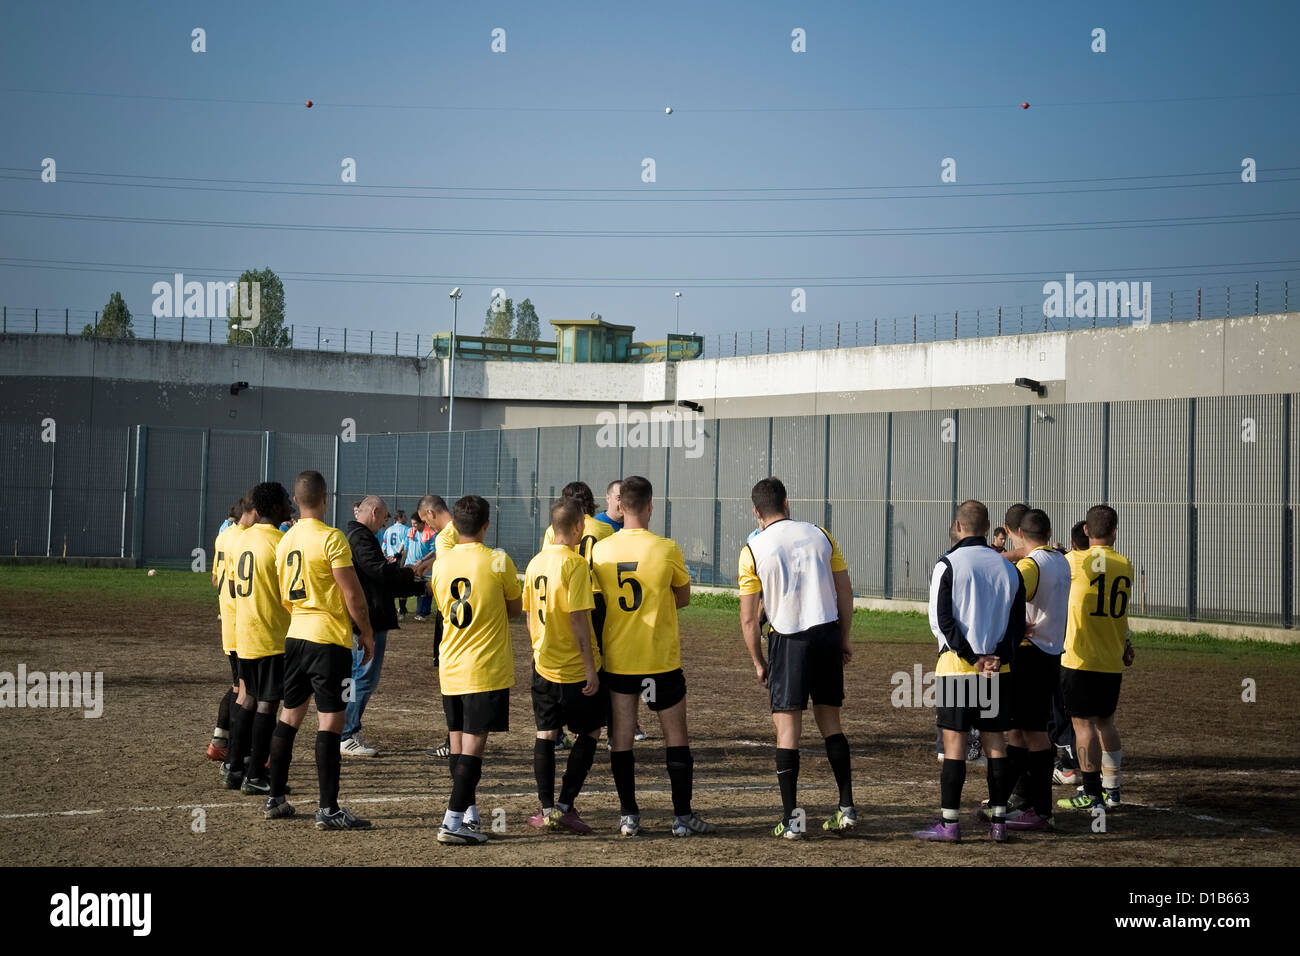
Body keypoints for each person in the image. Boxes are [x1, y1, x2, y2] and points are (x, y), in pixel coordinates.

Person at [590, 475, 716, 838]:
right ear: (649, 506)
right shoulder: (666, 548)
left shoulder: (602, 550)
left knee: (622, 739)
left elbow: (598, 602)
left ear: (620, 505)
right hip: (660, 659)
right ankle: (682, 816)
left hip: (620, 659)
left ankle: (629, 816)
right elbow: (684, 595)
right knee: (676, 736)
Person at [738, 477, 857, 840]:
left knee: (788, 731)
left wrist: (759, 662)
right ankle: (847, 809)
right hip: (825, 634)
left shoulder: (753, 549)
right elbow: (845, 592)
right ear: (787, 503)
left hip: (787, 640)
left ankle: (791, 821)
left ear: (757, 512)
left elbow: (747, 618)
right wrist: (844, 638)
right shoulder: (821, 533)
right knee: (831, 724)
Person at [267, 471, 376, 828]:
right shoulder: (332, 538)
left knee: (289, 716)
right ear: (325, 499)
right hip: (329, 642)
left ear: (296, 501)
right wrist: (366, 632)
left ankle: (275, 797)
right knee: (331, 722)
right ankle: (329, 809)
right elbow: (352, 593)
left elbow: (283, 596)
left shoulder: (284, 541)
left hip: (295, 637)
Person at [914, 499, 1025, 843]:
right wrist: (995, 656)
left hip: (957, 669)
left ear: (959, 526)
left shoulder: (947, 564)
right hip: (998, 671)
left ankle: (950, 824)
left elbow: (942, 622)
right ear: (987, 526)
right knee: (996, 744)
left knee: (955, 745)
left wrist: (972, 657)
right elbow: (1017, 626)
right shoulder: (1008, 568)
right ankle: (999, 823)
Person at [429, 495, 523, 845]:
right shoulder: (497, 560)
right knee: (473, 748)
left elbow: (442, 606)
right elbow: (515, 607)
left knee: (458, 743)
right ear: (486, 525)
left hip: (451, 666)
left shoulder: (441, 564)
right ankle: (452, 821)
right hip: (484, 667)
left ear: (455, 525)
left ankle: (468, 814)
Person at [522, 499, 606, 833]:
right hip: (574, 668)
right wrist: (590, 667)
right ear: (576, 528)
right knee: (590, 731)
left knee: (545, 732)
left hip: (543, 664)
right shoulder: (574, 565)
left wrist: (536, 649)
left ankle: (545, 810)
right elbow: (578, 620)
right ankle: (566, 805)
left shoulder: (534, 562)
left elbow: (529, 615)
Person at [1057, 505, 1135, 813]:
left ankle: (1090, 793)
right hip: (1111, 658)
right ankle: (1112, 790)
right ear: (1115, 531)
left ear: (1086, 531)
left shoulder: (1075, 561)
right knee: (1106, 722)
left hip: (1079, 658)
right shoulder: (1125, 565)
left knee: (1082, 724)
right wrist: (1126, 644)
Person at [340, 495, 429, 758]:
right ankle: (346, 733)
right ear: (375, 512)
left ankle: (344, 730)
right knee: (362, 677)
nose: (385, 522)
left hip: (366, 617)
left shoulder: (359, 536)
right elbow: (379, 572)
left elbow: (378, 574)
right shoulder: (360, 537)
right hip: (368, 619)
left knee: (355, 677)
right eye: (385, 517)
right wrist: (410, 574)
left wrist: (413, 584)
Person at [1000, 508, 1071, 831]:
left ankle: (1041, 810)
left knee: (1034, 734)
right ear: (1049, 531)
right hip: (1051, 653)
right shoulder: (1059, 560)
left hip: (1030, 655)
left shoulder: (1031, 566)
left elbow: (1011, 594)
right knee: (1019, 730)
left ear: (1018, 534)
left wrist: (1014, 626)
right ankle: (1010, 799)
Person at [222, 482, 294, 795]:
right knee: (268, 704)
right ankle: (256, 774)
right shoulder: (282, 542)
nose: (290, 507)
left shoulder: (240, 539)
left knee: (246, 698)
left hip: (244, 633)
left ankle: (234, 767)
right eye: (285, 503)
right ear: (275, 508)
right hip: (272, 635)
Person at [207, 498, 250, 762]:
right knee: (245, 691)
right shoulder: (244, 540)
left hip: (229, 619)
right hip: (243, 624)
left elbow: (215, 579)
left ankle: (220, 741)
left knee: (238, 686)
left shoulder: (223, 537)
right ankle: (238, 751)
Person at [417, 495, 456, 759]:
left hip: (448, 615)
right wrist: (428, 562)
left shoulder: (444, 538)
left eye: (424, 521)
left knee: (449, 678)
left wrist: (414, 583)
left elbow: (446, 579)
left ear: (430, 513)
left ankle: (453, 740)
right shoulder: (459, 530)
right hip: (466, 613)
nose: (426, 527)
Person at [406, 516, 435, 620]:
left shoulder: (431, 533)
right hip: (411, 565)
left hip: (424, 566)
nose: (413, 526)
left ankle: (422, 612)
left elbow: (433, 550)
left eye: (415, 524)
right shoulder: (410, 531)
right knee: (408, 588)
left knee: (425, 587)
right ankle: (403, 610)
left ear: (423, 523)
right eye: (412, 523)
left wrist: (422, 560)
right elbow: (406, 547)